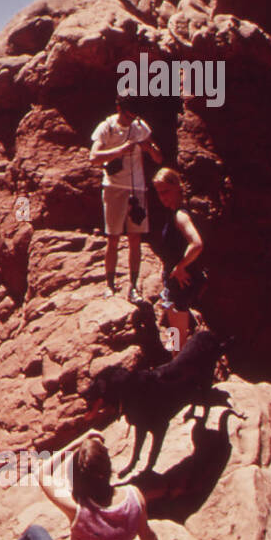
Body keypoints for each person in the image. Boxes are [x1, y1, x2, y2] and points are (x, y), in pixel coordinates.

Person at [0, 432, 171, 540]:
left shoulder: (77, 508)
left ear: (76, 476)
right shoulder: (135, 497)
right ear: (108, 468)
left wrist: (78, 442)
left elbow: (41, 473)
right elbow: (147, 535)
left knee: (35, 532)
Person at [90, 94, 162, 302]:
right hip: (113, 187)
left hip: (136, 188)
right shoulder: (107, 127)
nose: (131, 119)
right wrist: (120, 150)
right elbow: (93, 157)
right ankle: (110, 285)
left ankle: (133, 287)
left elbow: (158, 158)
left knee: (135, 239)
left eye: (133, 116)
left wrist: (149, 148)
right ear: (119, 107)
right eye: (128, 114)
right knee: (113, 238)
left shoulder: (140, 127)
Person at [150, 168, 205, 349]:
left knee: (176, 336)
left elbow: (196, 244)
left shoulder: (181, 215)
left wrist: (180, 267)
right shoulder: (174, 213)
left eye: (165, 191)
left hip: (180, 284)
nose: (162, 197)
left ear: (177, 188)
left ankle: (176, 365)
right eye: (159, 193)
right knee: (175, 329)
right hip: (175, 282)